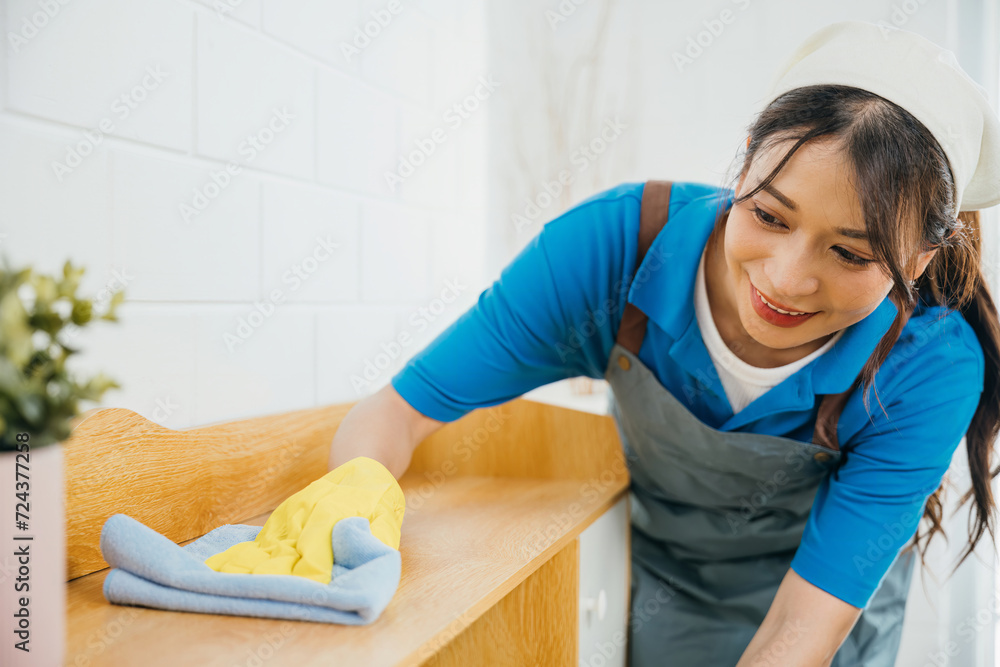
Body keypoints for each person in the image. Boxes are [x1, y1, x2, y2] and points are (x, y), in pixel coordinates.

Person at [329, 20, 1000, 666]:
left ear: (916, 260)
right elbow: (396, 414)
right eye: (768, 214)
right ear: (743, 164)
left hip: (826, 620)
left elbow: (805, 628)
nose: (787, 279)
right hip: (669, 595)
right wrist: (346, 537)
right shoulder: (611, 251)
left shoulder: (928, 367)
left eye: (851, 254)